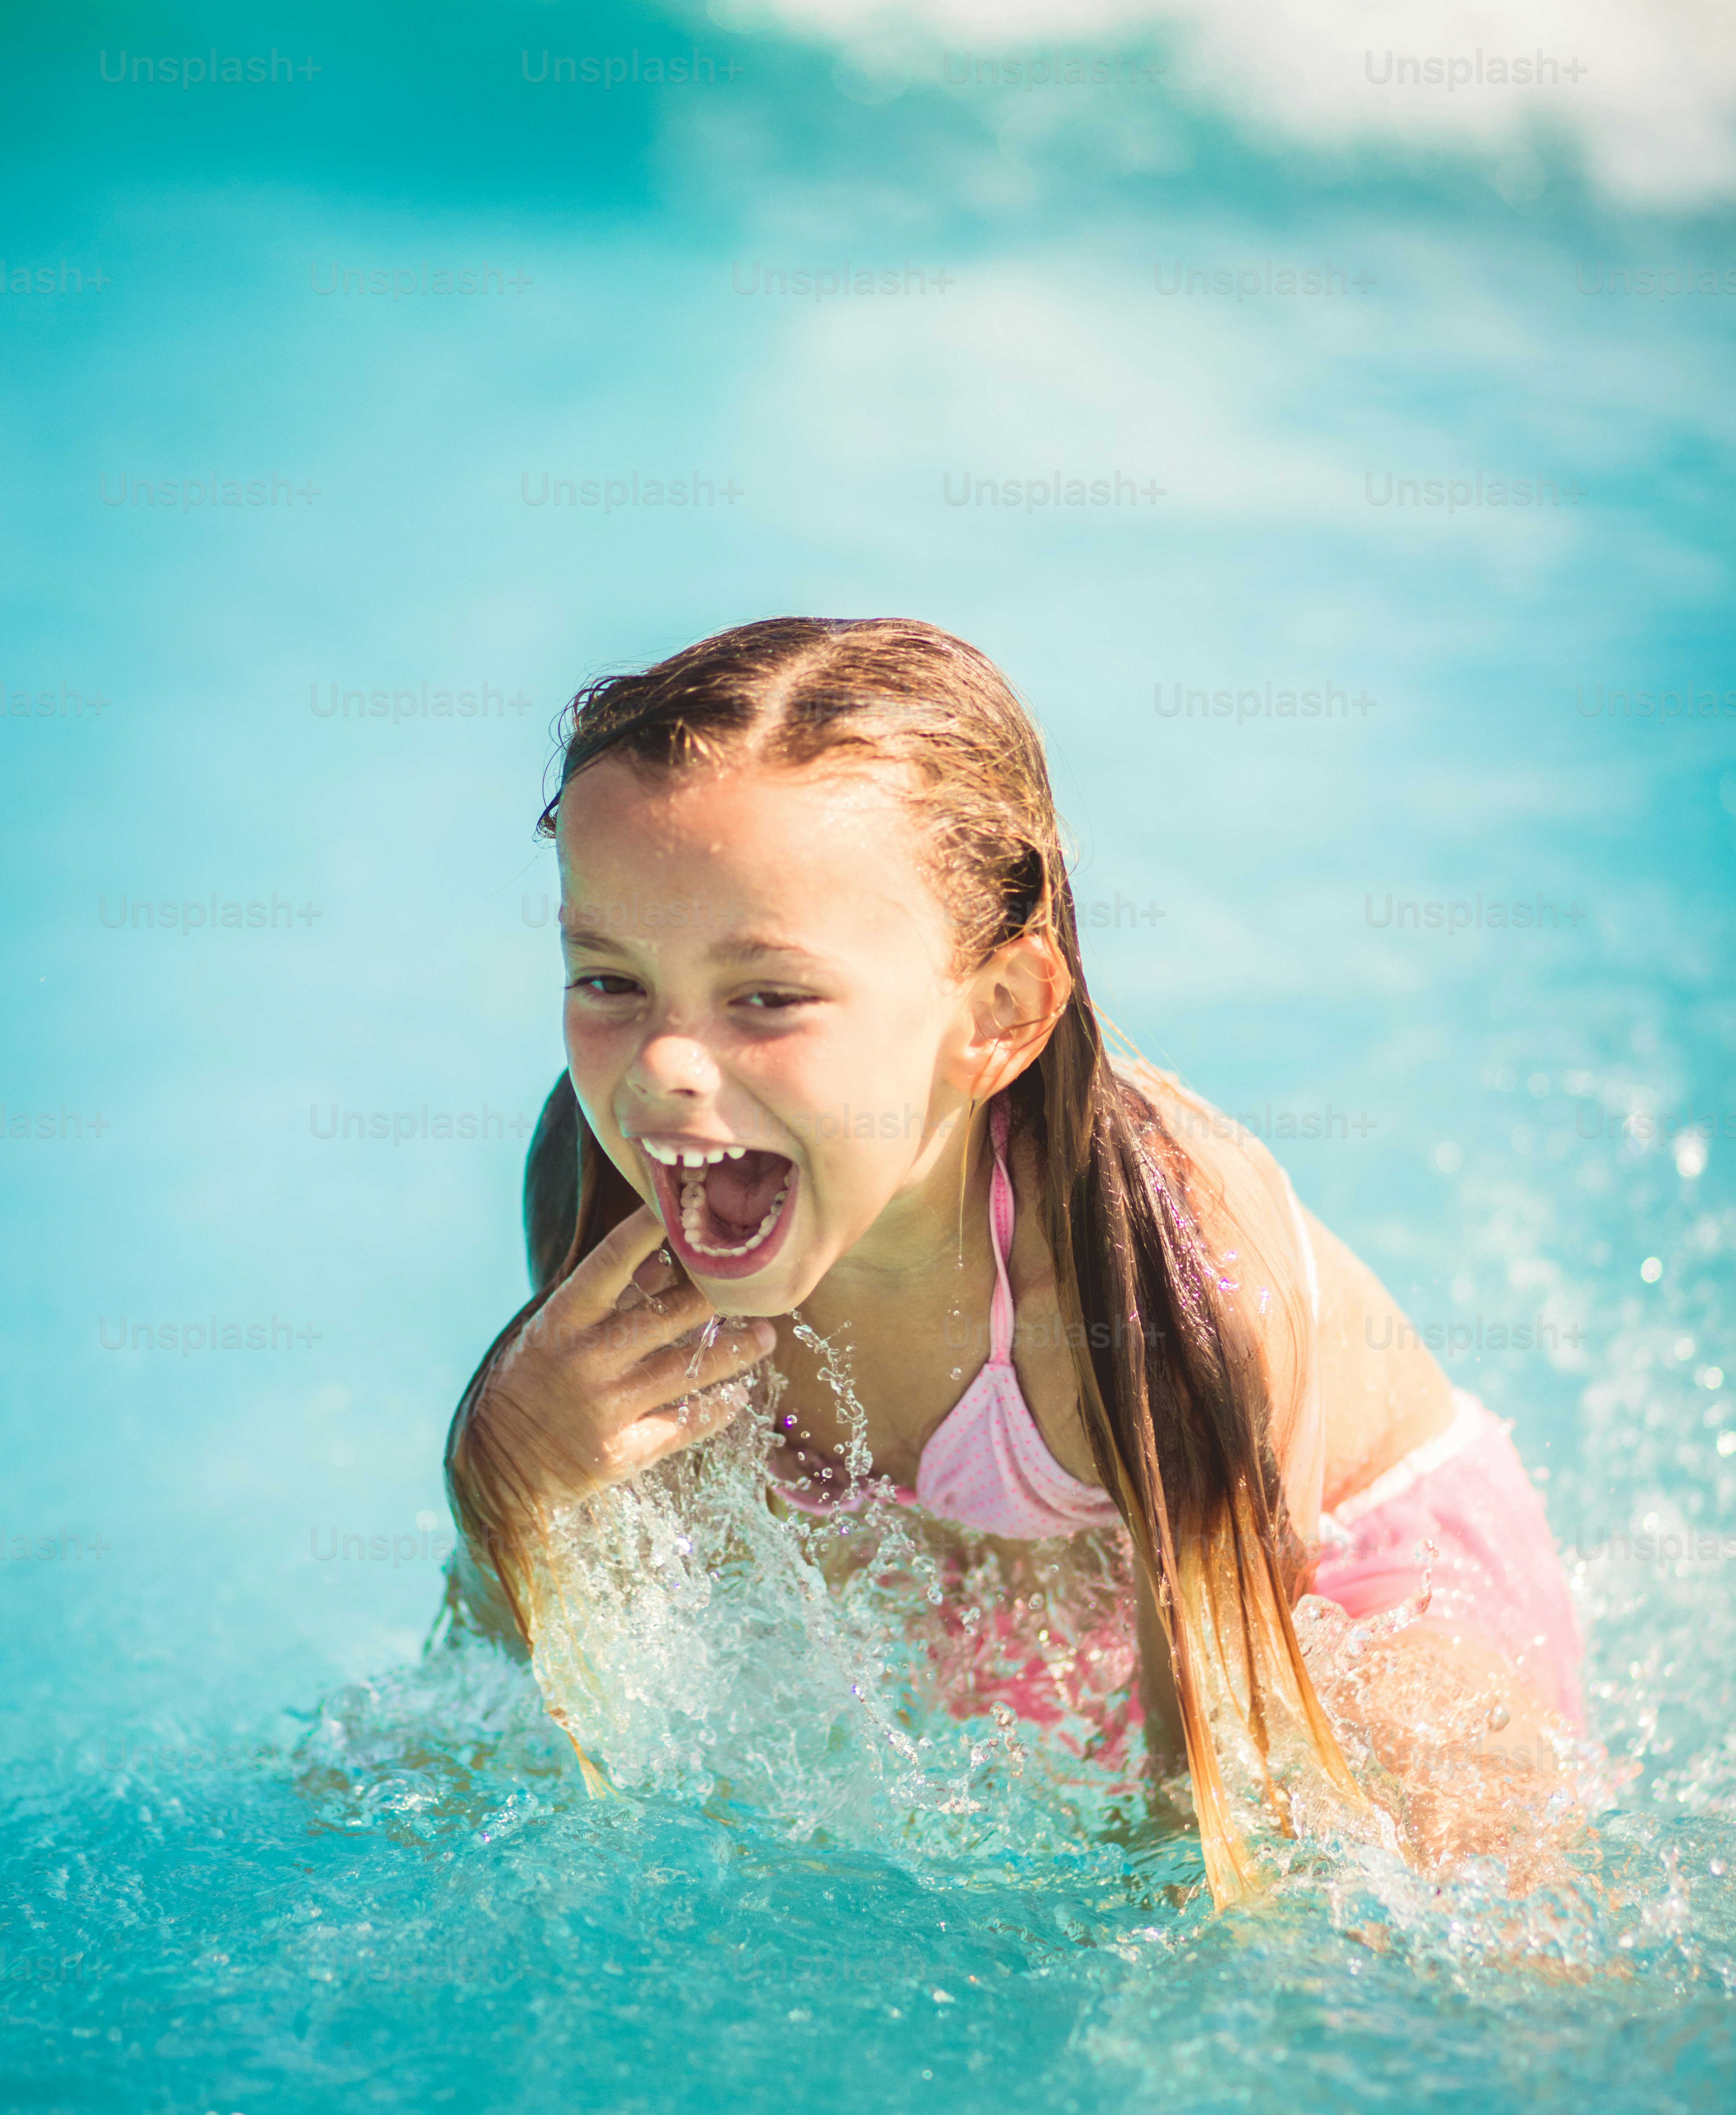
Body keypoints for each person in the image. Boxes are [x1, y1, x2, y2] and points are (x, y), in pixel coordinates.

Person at [445, 617, 1585, 1906]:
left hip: (1342, 1575)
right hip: (1023, 1563)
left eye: (766, 998)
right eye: (609, 981)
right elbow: (507, 1690)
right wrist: (508, 1477)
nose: (661, 1068)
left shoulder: (1163, 1285)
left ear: (997, 1015)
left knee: (1430, 1900)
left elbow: (1216, 1828)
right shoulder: (608, 1202)